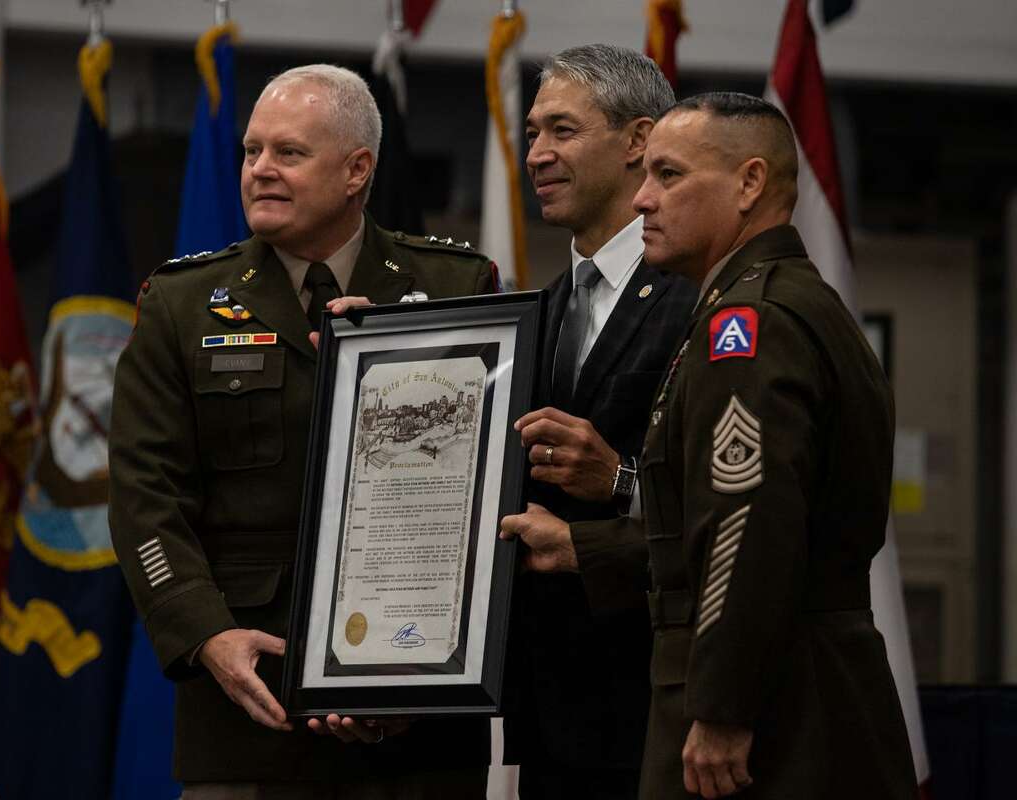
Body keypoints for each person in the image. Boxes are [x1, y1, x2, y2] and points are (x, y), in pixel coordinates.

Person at [505, 91, 921, 800]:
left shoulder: (748, 326)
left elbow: (745, 528)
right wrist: (588, 549)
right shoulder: (780, 302)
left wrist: (722, 707)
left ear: (750, 184)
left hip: (771, 710)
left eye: (669, 176)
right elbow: (705, 523)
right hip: (796, 683)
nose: (642, 200)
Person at [109, 64, 496, 799]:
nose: (260, 170)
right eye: (252, 151)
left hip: (420, 711)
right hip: (252, 704)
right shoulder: (182, 304)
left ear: (357, 170)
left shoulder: (452, 288)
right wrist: (205, 635)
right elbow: (143, 500)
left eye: (288, 153)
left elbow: (482, 493)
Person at [500, 45, 697, 799]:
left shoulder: (695, 294)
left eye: (561, 130)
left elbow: (733, 506)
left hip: (659, 714)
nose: (537, 155)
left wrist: (618, 479)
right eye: (530, 134)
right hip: (551, 717)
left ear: (638, 142)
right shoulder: (541, 308)